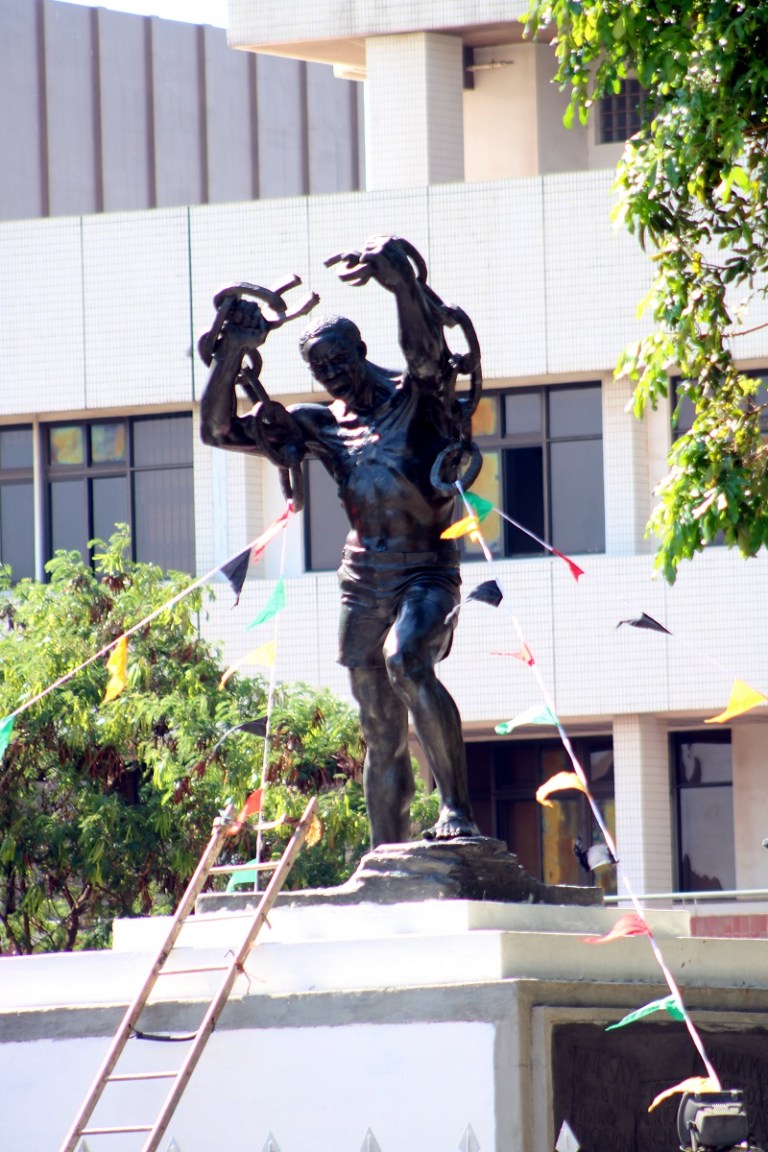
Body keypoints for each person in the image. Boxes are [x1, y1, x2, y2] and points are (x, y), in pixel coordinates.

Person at [200, 235, 480, 846]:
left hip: (427, 568)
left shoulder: (418, 398)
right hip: (363, 577)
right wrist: (234, 352)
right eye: (319, 369)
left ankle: (456, 811)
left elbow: (429, 353)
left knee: (409, 661)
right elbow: (218, 432)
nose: (330, 376)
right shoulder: (320, 425)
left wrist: (402, 285)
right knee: (378, 725)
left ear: (361, 349)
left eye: (337, 361)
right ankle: (388, 855)